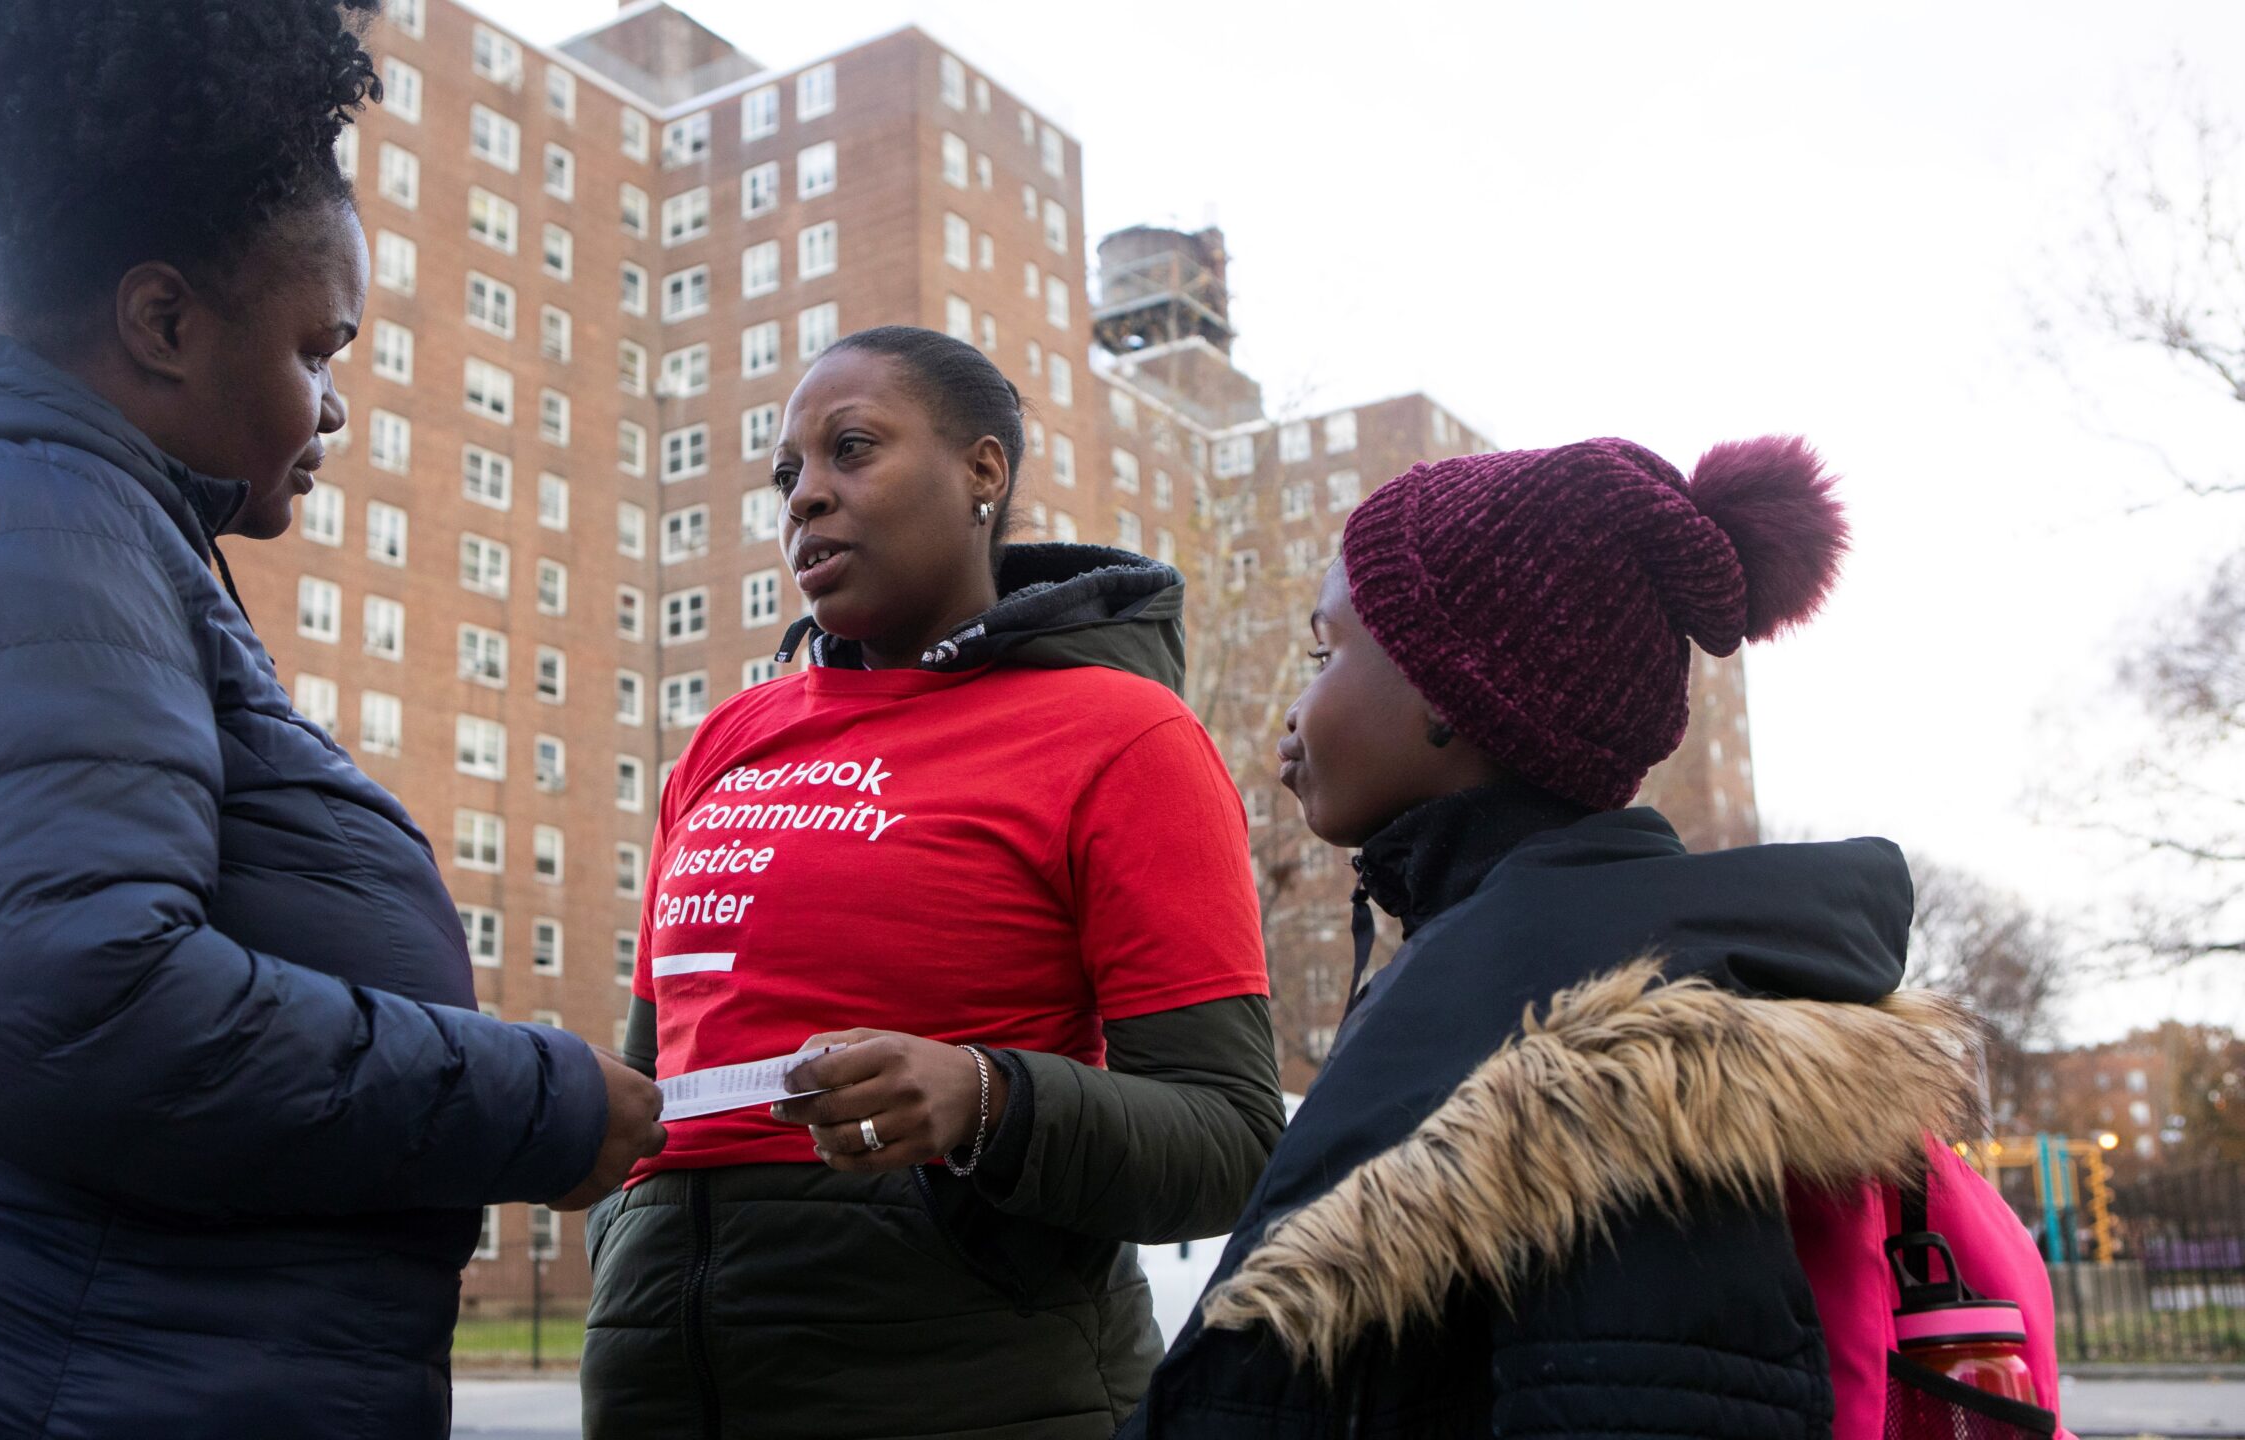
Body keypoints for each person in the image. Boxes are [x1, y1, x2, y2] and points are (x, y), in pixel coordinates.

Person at [0, 4, 662, 1437]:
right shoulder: (19, 521)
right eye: (318, 348)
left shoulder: (62, 525)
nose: (331, 407)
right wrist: (548, 1101)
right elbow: (76, 1007)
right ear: (162, 322)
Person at [1125, 438, 1994, 1437]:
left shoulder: (1626, 1066)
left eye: (1325, 655)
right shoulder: (1500, 982)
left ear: (1447, 689)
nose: (1293, 709)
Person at [580, 326, 1285, 1439]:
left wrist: (984, 1101)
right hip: (658, 1388)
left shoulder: (1123, 735)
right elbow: (651, 1076)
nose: (805, 499)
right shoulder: (725, 741)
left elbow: (1231, 1139)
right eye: (786, 476)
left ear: (983, 474)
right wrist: (604, 1178)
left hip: (980, 1388)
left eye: (851, 449)